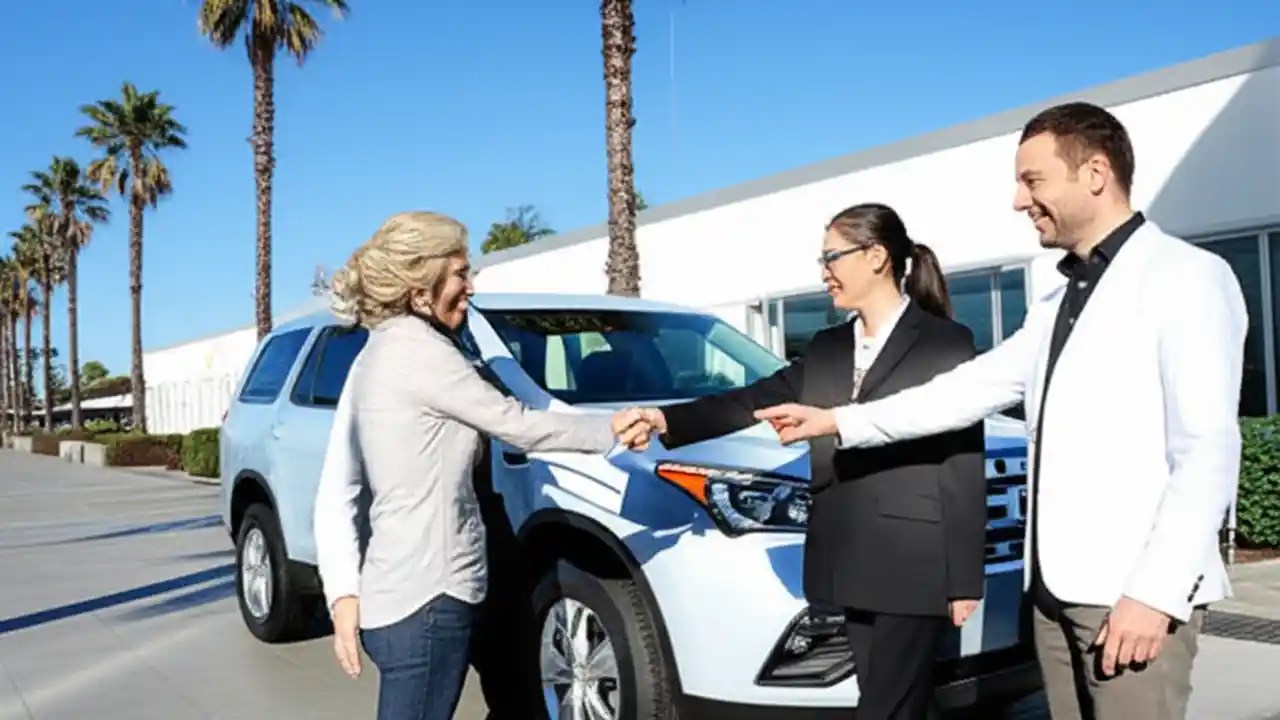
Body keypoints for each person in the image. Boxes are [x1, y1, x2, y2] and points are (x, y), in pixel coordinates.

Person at [753, 102, 1247, 720]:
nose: (1019, 200)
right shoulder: (1057, 299)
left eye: (1032, 181)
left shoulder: (1188, 277)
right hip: (1054, 596)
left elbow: (1206, 450)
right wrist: (838, 421)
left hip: (1130, 597)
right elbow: (967, 389)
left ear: (1095, 173)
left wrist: (1155, 593)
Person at [621, 202, 988, 720]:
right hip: (847, 554)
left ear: (877, 256)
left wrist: (964, 577)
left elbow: (961, 460)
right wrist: (665, 419)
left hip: (915, 559)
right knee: (897, 702)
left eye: (832, 257)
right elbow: (751, 399)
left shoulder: (946, 342)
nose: (824, 273)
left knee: (887, 706)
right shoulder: (828, 347)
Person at [312, 211, 651, 720]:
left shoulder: (414, 344)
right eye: (460, 273)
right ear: (420, 288)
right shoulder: (417, 350)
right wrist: (613, 429)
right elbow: (516, 422)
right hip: (429, 593)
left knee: (512, 699)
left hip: (432, 582)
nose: (471, 288)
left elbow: (532, 405)